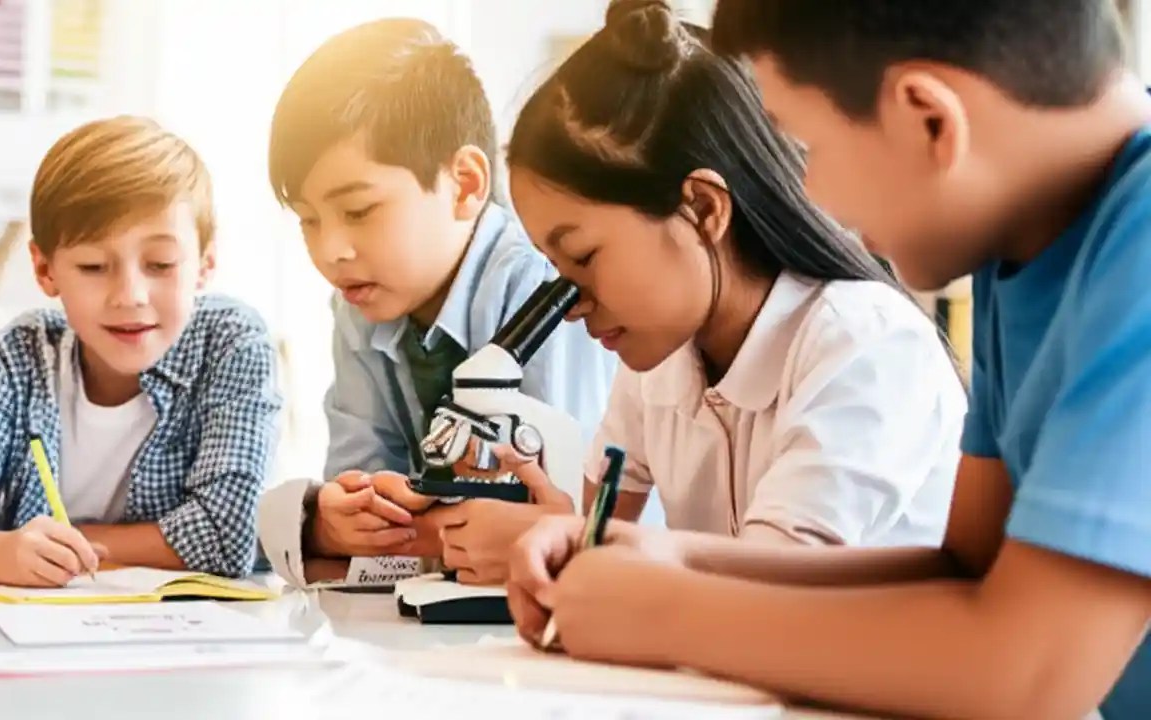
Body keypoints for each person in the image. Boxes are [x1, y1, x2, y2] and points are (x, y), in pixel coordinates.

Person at [510, 1, 1151, 718]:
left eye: (809, 145)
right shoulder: (1023, 253)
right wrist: (669, 558)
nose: (810, 192)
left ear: (928, 120)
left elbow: (1029, 676)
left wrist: (666, 613)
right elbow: (966, 567)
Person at [443, 0, 965, 585]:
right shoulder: (656, 364)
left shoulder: (864, 347)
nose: (573, 306)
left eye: (584, 257)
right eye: (556, 268)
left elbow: (766, 588)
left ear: (703, 207)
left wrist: (573, 547)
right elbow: (595, 544)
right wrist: (548, 536)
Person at [258, 18, 616, 586]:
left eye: (359, 210)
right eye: (308, 220)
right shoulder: (358, 306)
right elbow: (360, 492)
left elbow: (553, 512)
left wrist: (389, 531)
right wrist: (336, 521)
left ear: (465, 184)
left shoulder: (541, 288)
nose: (331, 251)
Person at [0, 116, 283, 584]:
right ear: (45, 270)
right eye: (94, 266)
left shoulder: (231, 344)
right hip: (35, 623)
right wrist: (0, 552)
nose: (130, 295)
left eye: (160, 264)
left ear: (205, 263)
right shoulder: (22, 354)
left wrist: (71, 544)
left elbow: (227, 533)